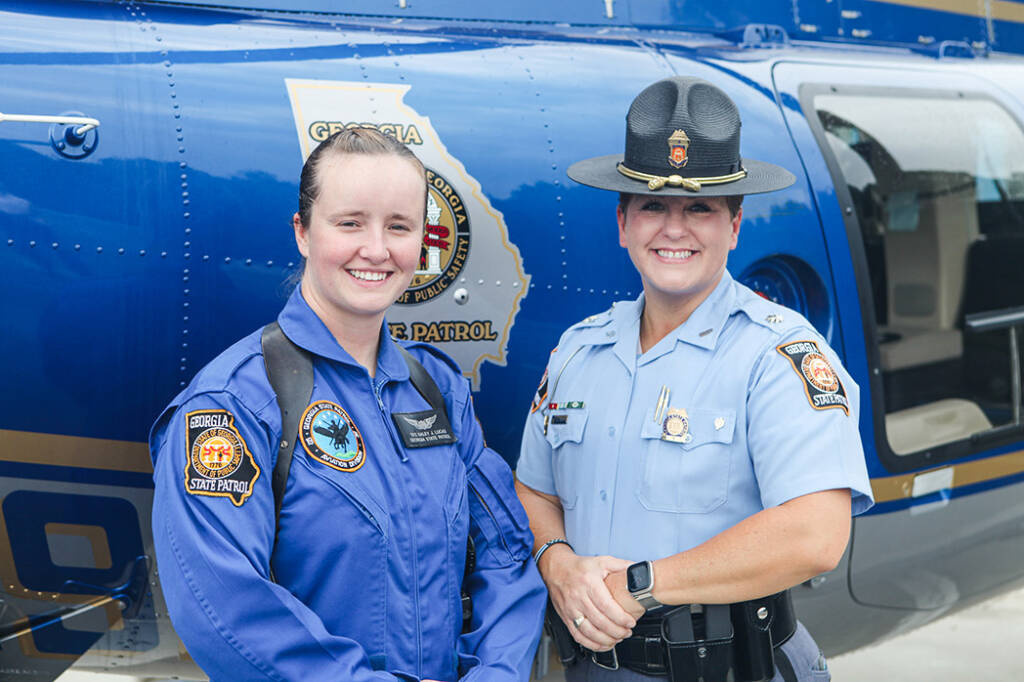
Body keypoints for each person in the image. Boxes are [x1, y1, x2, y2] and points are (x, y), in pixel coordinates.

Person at [150, 128, 546, 682]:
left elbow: (506, 553)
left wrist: (496, 675)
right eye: (351, 223)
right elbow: (223, 607)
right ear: (303, 232)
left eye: (399, 227)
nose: (377, 250)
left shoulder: (437, 389)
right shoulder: (234, 406)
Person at [515, 76, 874, 681]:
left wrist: (642, 588)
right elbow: (534, 491)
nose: (674, 230)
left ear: (733, 226)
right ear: (624, 222)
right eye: (653, 205)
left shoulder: (778, 354)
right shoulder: (578, 351)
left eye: (700, 208)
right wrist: (558, 563)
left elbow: (816, 535)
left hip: (732, 667)